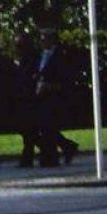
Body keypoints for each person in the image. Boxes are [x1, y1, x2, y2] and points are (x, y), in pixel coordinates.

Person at [35, 29, 78, 166]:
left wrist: (49, 86)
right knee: (45, 127)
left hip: (54, 97)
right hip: (42, 97)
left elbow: (64, 78)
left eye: (44, 39)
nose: (41, 42)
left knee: (48, 127)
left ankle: (57, 154)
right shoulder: (43, 55)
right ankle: (66, 148)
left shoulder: (59, 56)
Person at [13, 32, 40, 166]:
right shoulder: (22, 60)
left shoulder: (32, 59)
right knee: (25, 128)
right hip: (22, 97)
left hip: (30, 98)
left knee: (29, 128)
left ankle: (27, 156)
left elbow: (31, 77)